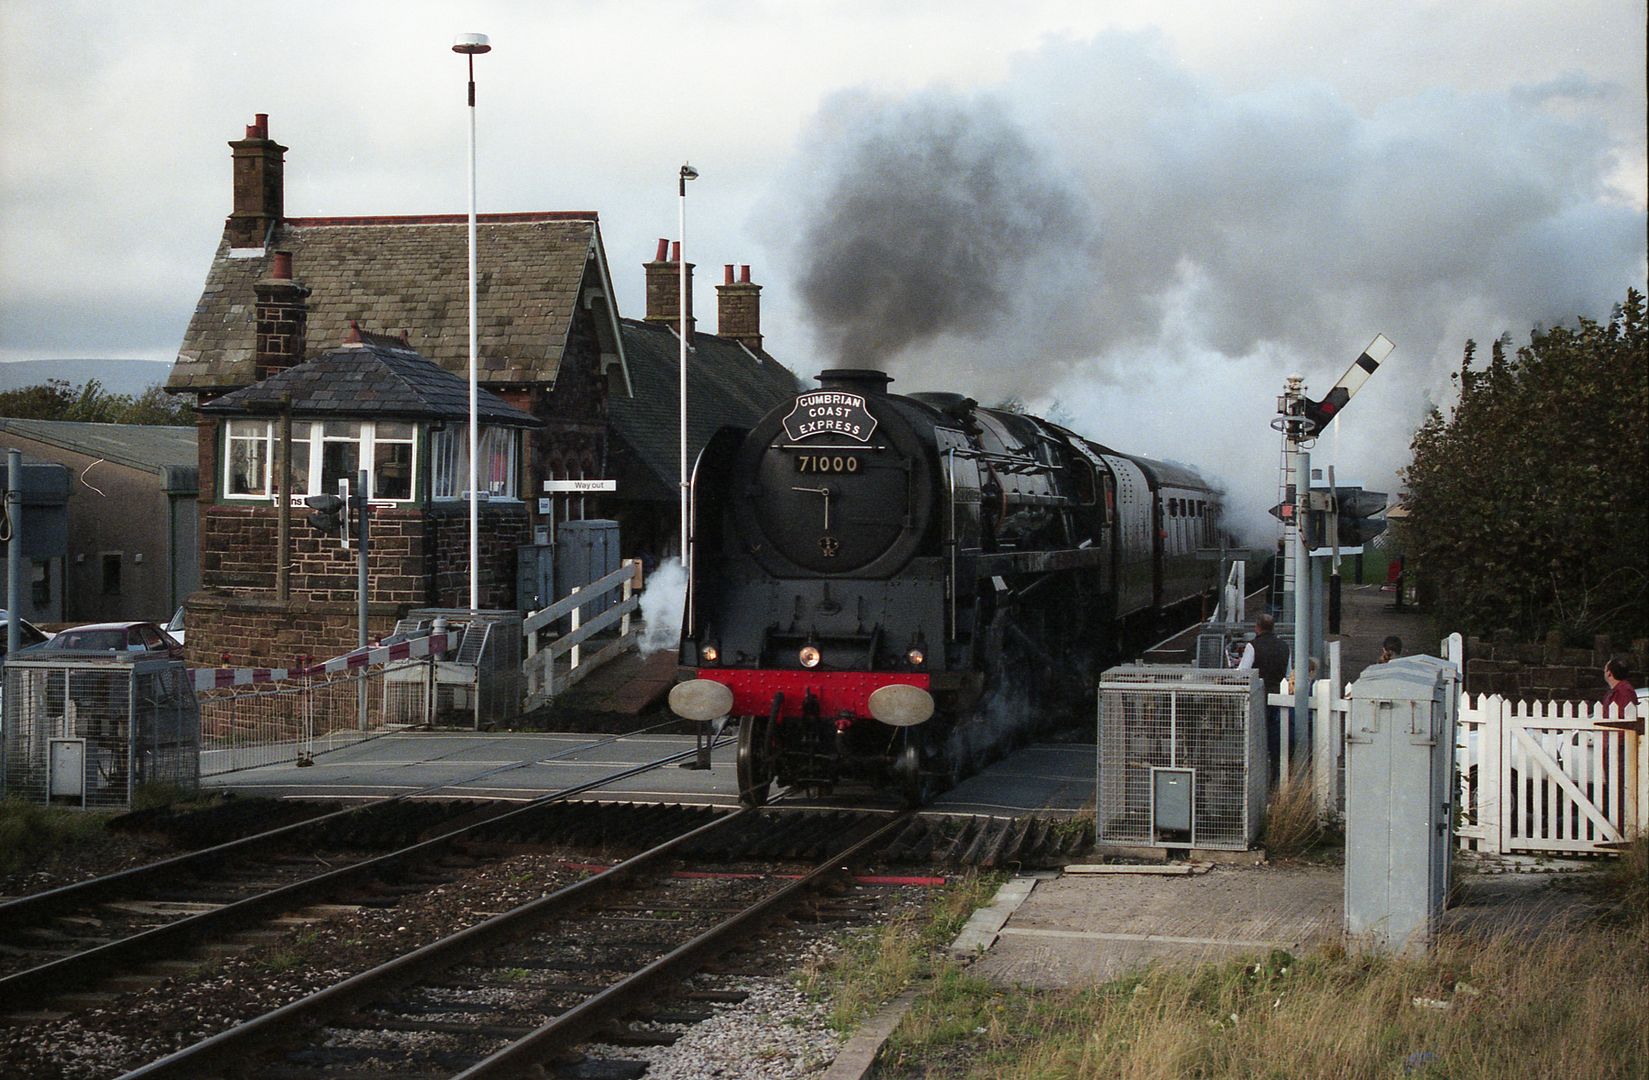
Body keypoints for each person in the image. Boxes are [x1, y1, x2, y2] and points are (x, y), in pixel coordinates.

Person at [1237, 612, 1291, 784]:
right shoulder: (1285, 646)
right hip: (1279, 697)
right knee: (1276, 739)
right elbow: (1288, 674)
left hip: (1259, 697)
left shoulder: (1253, 646)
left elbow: (1242, 673)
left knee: (1257, 737)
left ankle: (1256, 776)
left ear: (1257, 627)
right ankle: (1276, 775)